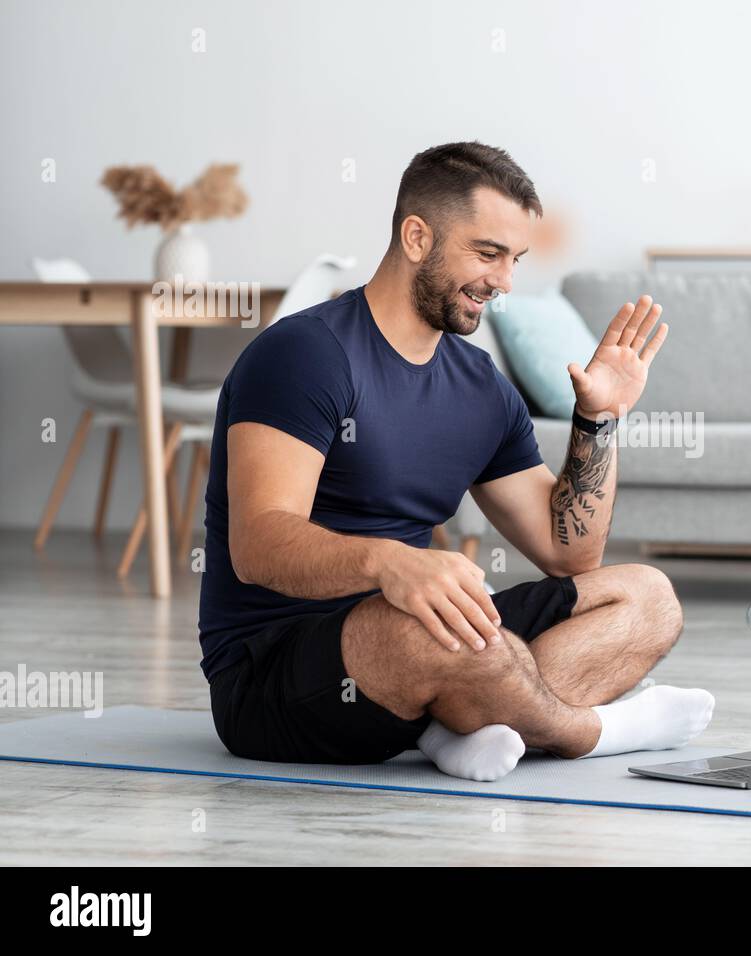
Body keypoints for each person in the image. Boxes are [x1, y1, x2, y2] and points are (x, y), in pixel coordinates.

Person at [198, 142, 713, 780]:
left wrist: (598, 421)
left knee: (648, 598)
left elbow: (567, 554)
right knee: (443, 634)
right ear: (417, 237)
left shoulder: (478, 385)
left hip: (427, 629)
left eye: (515, 260)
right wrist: (391, 563)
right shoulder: (304, 355)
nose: (504, 282)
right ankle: (600, 733)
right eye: (488, 253)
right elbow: (258, 545)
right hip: (276, 670)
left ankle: (455, 724)